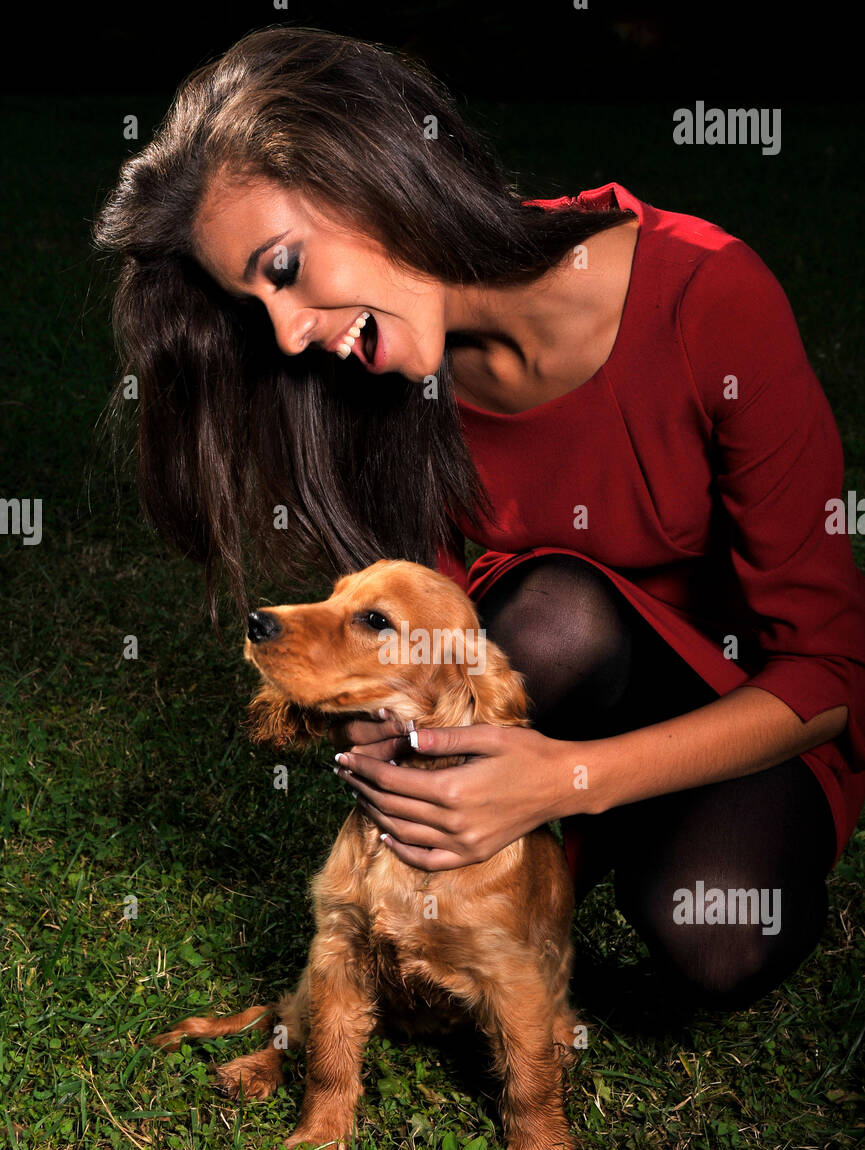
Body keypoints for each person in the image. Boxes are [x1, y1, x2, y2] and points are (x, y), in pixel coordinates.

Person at [93, 25, 865, 1015]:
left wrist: (573, 779)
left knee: (714, 935)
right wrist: (388, 745)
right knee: (550, 617)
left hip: (741, 712)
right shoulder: (378, 383)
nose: (287, 335)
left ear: (375, 174)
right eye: (256, 306)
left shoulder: (709, 298)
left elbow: (830, 671)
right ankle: (535, 852)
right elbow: (415, 633)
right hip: (531, 691)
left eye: (283, 267)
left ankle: (621, 823)